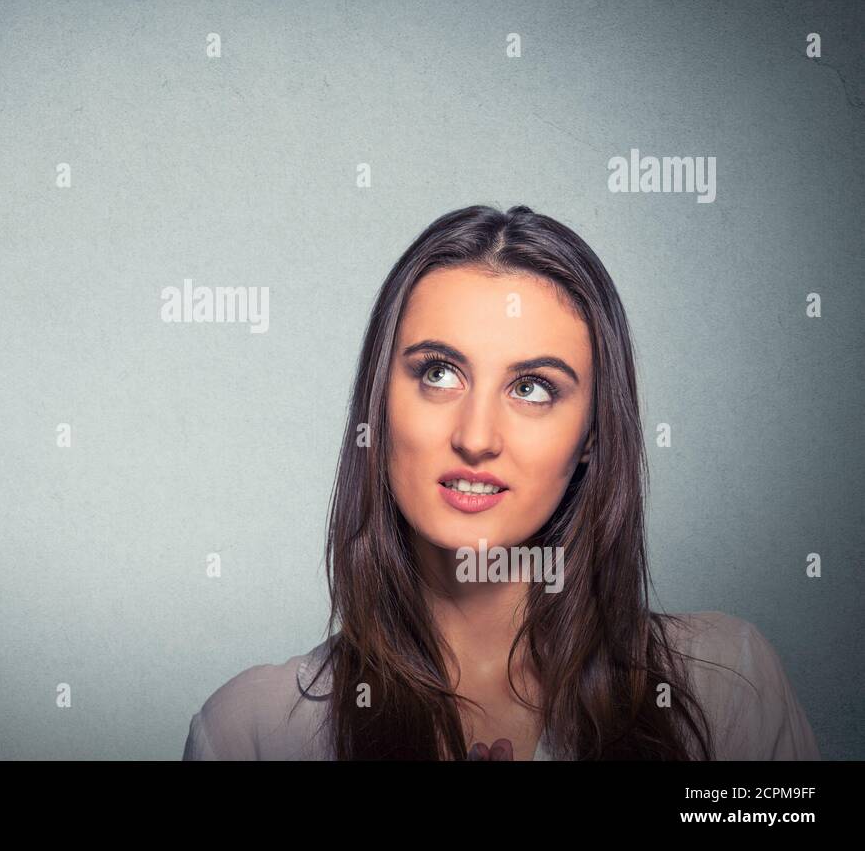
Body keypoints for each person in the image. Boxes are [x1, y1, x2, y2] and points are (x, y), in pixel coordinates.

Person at [182, 204, 820, 760]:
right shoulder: (252, 734)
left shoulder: (728, 686)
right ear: (379, 405)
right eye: (438, 373)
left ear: (593, 435)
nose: (477, 436)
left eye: (533, 388)